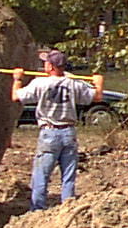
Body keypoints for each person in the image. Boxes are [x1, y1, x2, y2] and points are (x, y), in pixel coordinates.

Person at [12, 50, 104, 211]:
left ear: (50, 66)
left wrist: (17, 79)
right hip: (69, 132)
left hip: (49, 133)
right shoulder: (74, 83)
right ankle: (67, 207)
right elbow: (96, 97)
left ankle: (37, 210)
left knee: (42, 174)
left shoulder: (40, 83)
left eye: (46, 63)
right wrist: (99, 83)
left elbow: (16, 97)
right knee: (68, 175)